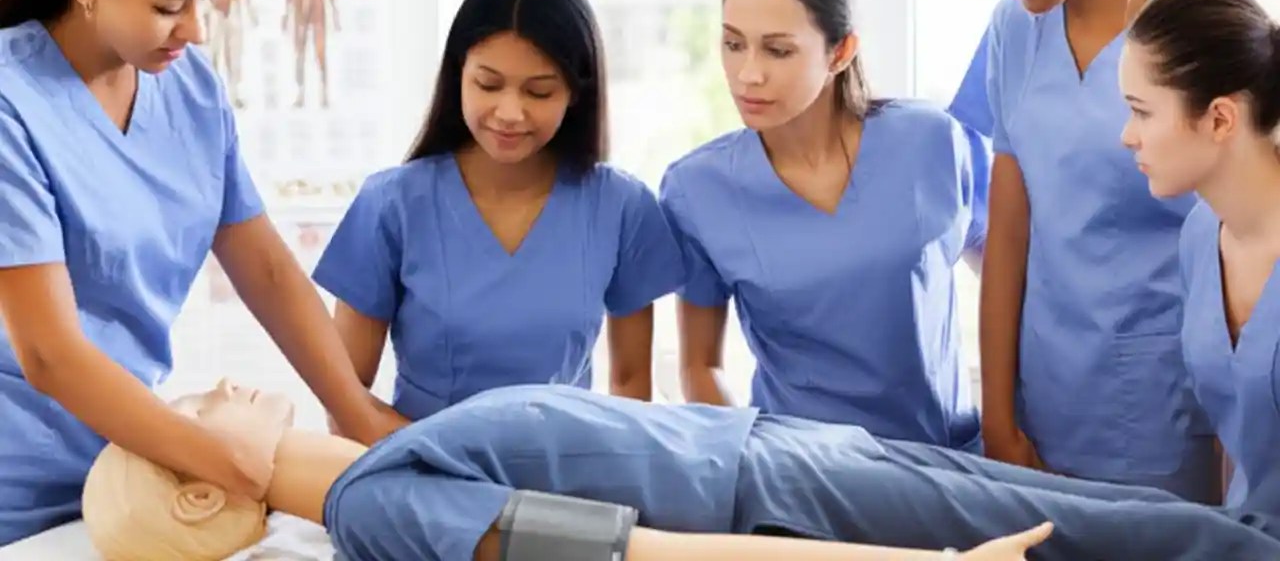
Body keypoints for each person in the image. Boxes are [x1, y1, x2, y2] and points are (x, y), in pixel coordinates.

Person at [0, 0, 397, 546]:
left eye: (206, 1)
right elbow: (50, 354)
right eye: (169, 6)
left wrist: (359, 412)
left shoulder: (189, 86)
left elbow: (267, 268)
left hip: (128, 455)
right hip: (20, 486)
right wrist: (229, 461)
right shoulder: (12, 104)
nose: (196, 30)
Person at [81, 381, 1280, 561]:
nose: (212, 390)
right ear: (202, 488)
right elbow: (642, 557)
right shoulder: (380, 509)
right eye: (186, 420)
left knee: (1138, 514)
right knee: (1133, 543)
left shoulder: (389, 454)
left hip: (778, 444)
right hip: (775, 498)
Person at [946, 0, 1217, 500]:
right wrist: (1002, 419)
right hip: (1041, 397)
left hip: (1162, 406)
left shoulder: (1191, 39)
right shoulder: (1013, 31)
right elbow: (1008, 235)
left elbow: (1244, 241)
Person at [311, 0, 685, 430]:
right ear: (458, 75)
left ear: (575, 92)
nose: (510, 113)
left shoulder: (622, 206)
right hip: (421, 475)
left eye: (539, 91)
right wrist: (439, 468)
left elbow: (631, 390)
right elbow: (344, 399)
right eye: (488, 84)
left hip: (565, 482)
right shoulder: (391, 205)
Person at [659, 0, 989, 450]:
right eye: (732, 44)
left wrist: (1015, 422)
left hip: (949, 458)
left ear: (841, 51)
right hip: (802, 479)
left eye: (778, 49)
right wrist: (758, 462)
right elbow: (701, 366)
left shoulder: (930, 140)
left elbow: (1004, 278)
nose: (748, 73)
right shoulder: (697, 190)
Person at [1119, 0, 1280, 514]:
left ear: (1219, 119)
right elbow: (1235, 435)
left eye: (1142, 112)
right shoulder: (1198, 236)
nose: (1127, 135)